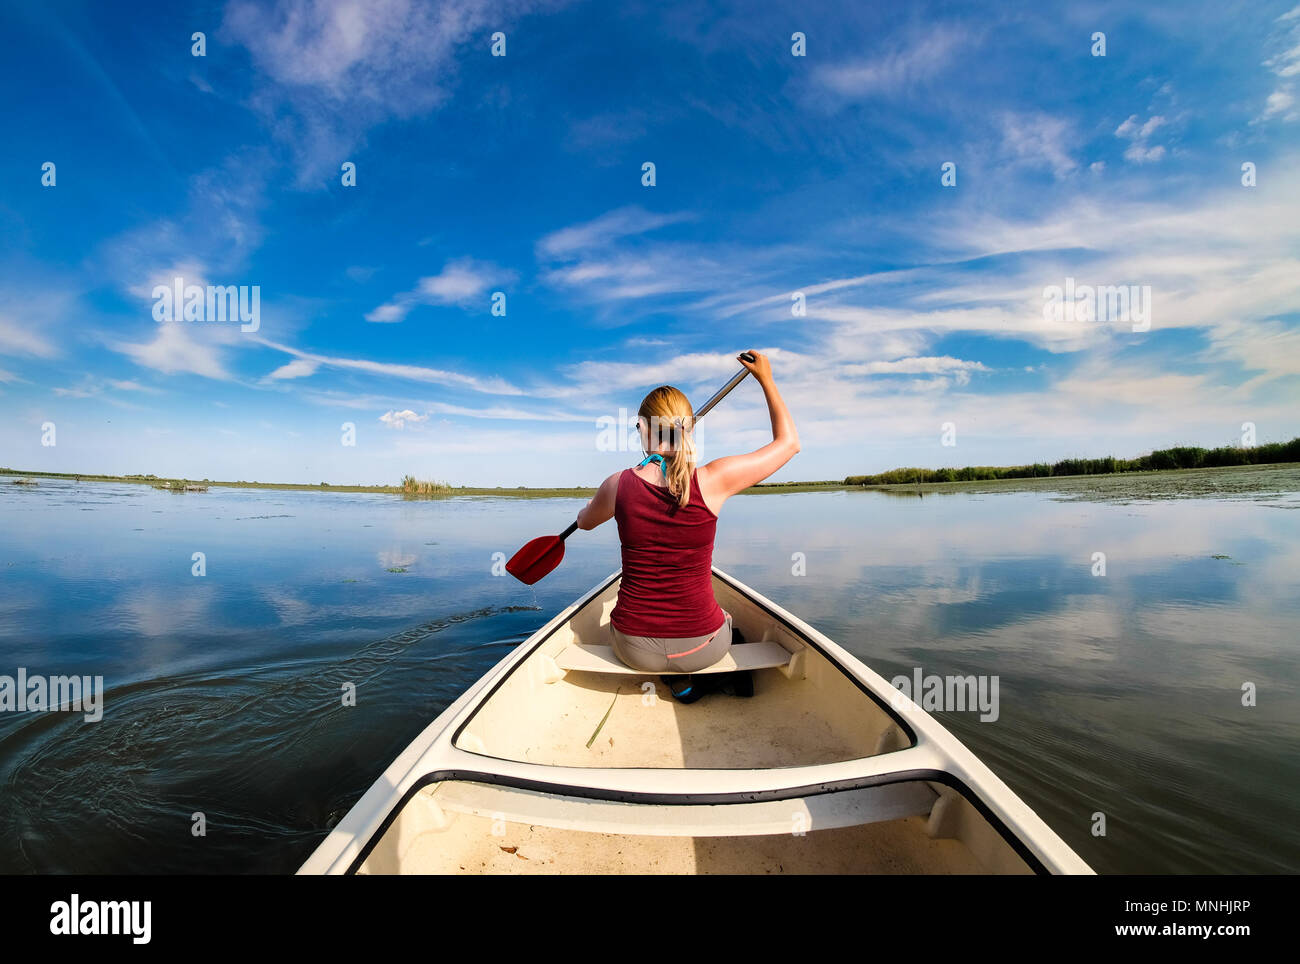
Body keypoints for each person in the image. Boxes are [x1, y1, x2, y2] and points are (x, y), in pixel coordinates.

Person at [574, 351, 799, 702]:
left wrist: (585, 511)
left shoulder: (616, 485)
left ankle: (679, 682)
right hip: (705, 646)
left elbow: (585, 523)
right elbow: (789, 445)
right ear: (690, 428)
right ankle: (701, 675)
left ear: (642, 430)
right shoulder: (714, 479)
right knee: (724, 621)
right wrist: (766, 379)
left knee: (637, 636)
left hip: (633, 649)